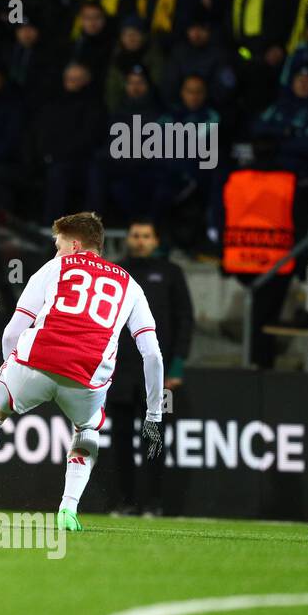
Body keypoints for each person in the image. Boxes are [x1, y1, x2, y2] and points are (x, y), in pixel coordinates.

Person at [0, 212, 165, 532]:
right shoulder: (130, 285)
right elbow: (152, 355)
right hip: (87, 376)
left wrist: (10, 374)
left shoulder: (55, 267)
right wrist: (154, 414)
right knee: (87, 428)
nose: (56, 252)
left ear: (74, 246)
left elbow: (11, 332)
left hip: (35, 363)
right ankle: (68, 511)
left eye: (59, 245)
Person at [109, 219, 194, 516]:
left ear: (156, 241)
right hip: (119, 372)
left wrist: (177, 367)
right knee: (120, 440)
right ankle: (126, 503)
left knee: (153, 439)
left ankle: (154, 503)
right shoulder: (115, 273)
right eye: (135, 235)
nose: (140, 241)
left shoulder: (170, 273)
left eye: (146, 236)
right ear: (128, 238)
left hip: (154, 374)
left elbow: (185, 320)